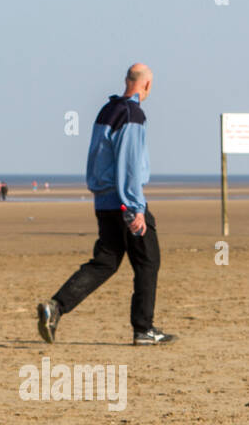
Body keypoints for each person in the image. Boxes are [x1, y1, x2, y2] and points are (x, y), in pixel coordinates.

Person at [37, 63, 175, 345]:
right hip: (124, 202)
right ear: (146, 85)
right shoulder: (131, 114)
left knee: (106, 261)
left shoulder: (107, 110)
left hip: (103, 202)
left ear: (127, 80)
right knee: (149, 261)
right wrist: (135, 207)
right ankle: (143, 329)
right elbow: (129, 164)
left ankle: (56, 307)